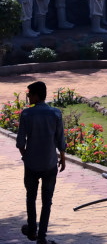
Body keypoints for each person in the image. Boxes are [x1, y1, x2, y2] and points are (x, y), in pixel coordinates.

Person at [16, 80, 66, 244]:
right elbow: (60, 139)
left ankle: (32, 230)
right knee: (47, 201)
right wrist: (63, 159)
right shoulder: (56, 113)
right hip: (50, 163)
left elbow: (20, 142)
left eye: (30, 94)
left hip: (31, 164)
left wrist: (26, 156)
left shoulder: (26, 114)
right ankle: (42, 238)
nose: (28, 97)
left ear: (37, 95)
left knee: (31, 198)